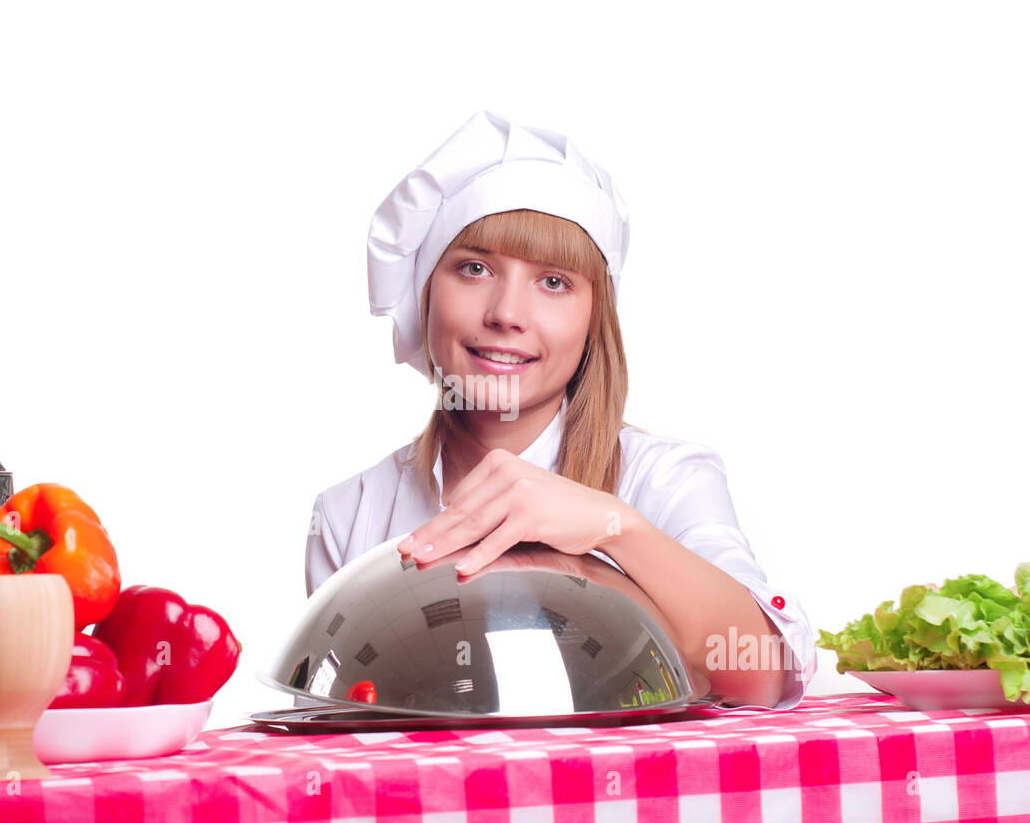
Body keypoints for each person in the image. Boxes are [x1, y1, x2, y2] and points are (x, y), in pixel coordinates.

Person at [304, 109, 816, 709]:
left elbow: (759, 673)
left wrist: (614, 527)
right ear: (424, 295)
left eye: (553, 283)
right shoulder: (348, 515)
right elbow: (340, 723)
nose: (507, 313)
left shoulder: (667, 479)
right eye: (474, 268)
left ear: (594, 318)